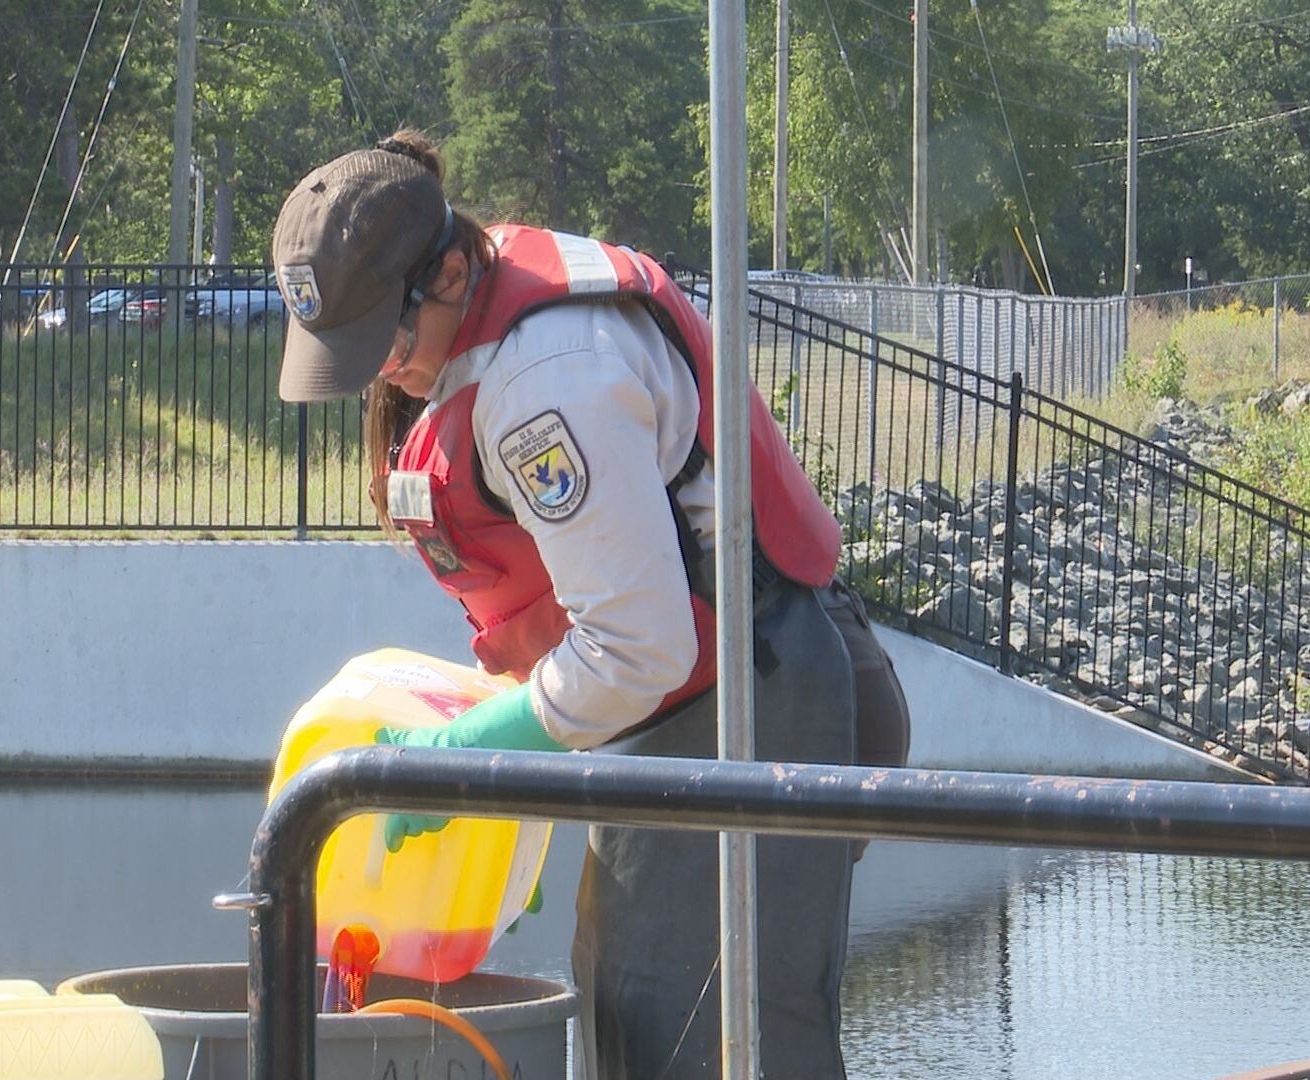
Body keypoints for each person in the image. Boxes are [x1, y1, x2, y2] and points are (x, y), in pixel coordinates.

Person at [271, 130, 910, 1078]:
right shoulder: (483, 315)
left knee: (698, 1044)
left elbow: (637, 647)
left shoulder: (545, 387)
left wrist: (474, 757)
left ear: (447, 273)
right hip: (690, 695)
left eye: (385, 340)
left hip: (744, 697)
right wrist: (520, 788)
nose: (378, 371)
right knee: (629, 1023)